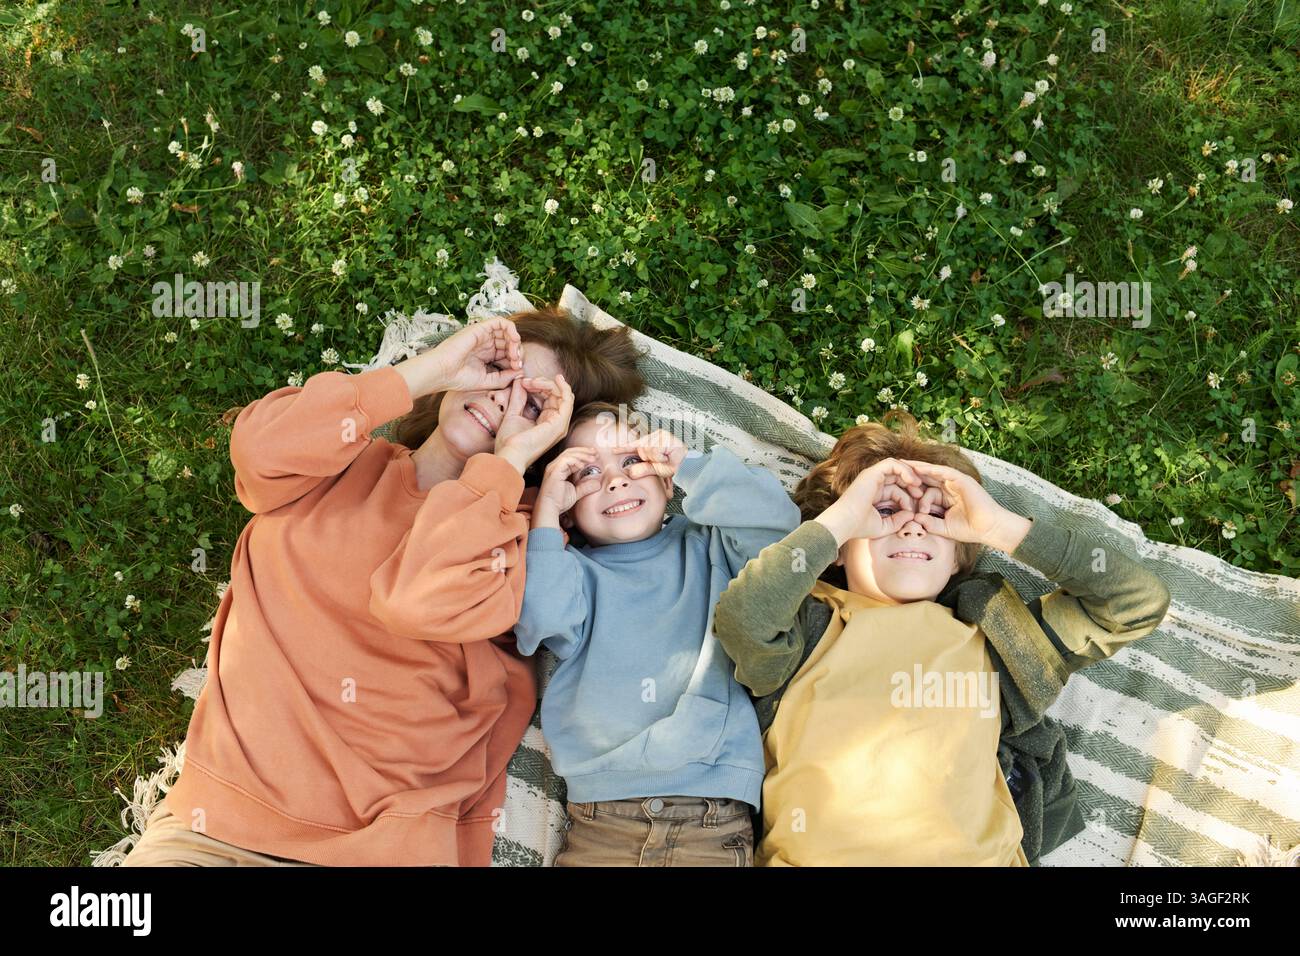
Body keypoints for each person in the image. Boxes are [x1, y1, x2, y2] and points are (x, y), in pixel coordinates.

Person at [122, 306, 644, 866]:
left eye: (533, 404)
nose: (503, 398)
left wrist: (510, 460)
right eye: (498, 370)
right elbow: (257, 450)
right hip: (216, 828)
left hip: (386, 844)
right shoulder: (340, 460)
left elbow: (416, 600)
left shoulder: (517, 537)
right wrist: (432, 368)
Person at [713, 410, 1172, 866]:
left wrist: (998, 528)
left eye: (937, 515)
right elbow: (743, 618)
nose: (913, 525)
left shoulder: (996, 639)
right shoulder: (808, 630)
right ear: (837, 549)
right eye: (885, 512)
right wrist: (841, 519)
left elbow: (1137, 604)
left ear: (958, 559)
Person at [513, 402, 801, 866]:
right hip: (602, 819)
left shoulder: (711, 546)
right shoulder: (575, 574)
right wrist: (544, 509)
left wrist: (689, 465)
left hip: (711, 814)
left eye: (631, 461)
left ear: (668, 484)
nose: (615, 480)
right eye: (587, 473)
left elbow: (778, 526)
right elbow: (538, 620)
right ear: (569, 510)